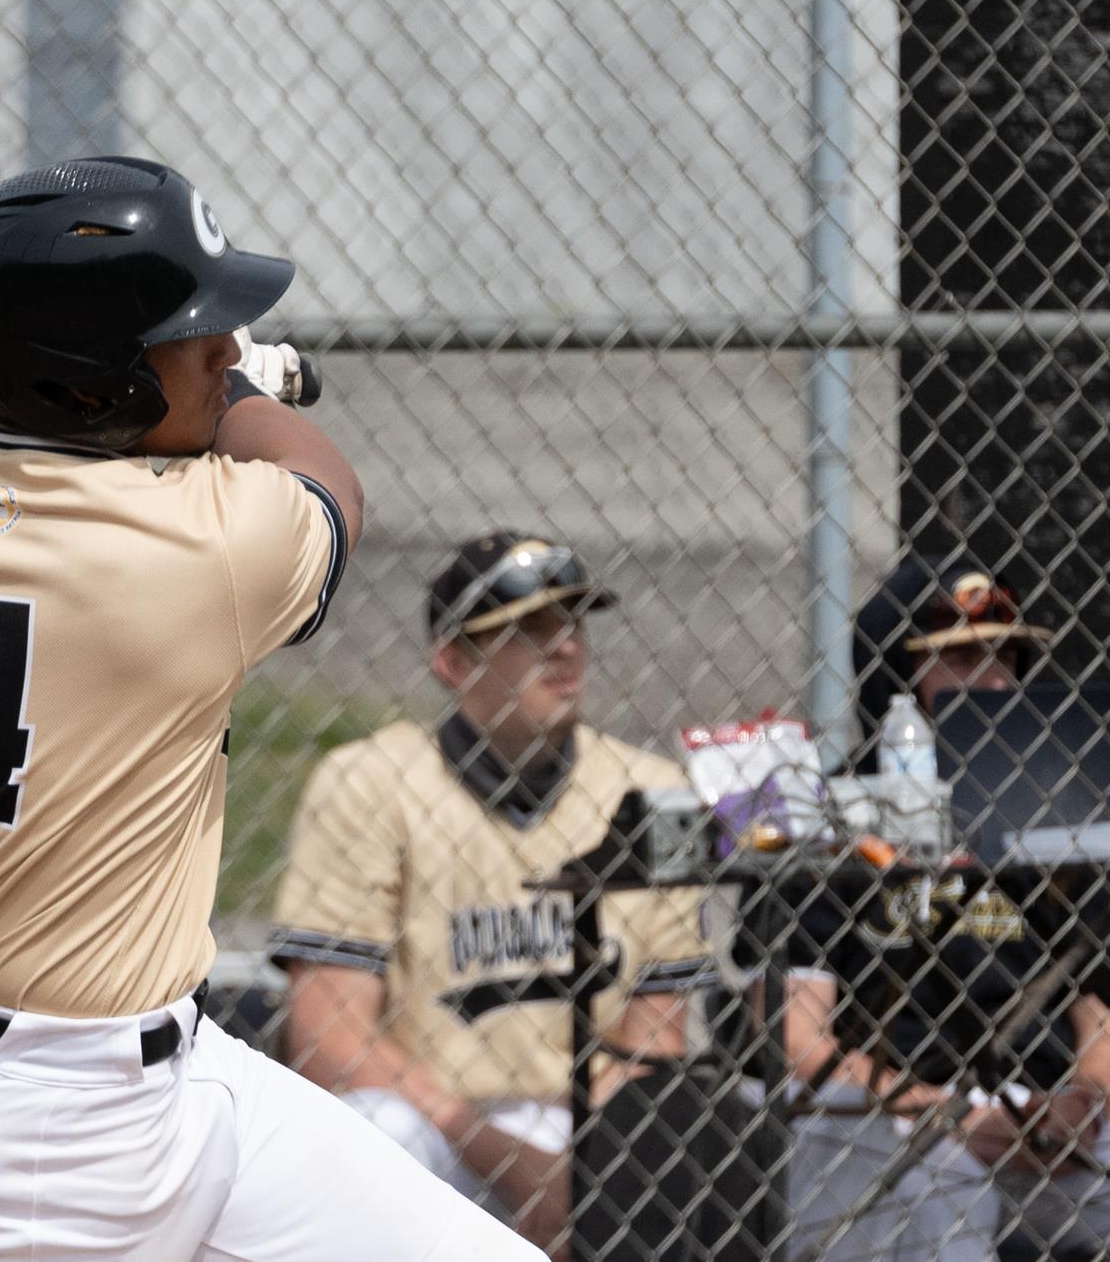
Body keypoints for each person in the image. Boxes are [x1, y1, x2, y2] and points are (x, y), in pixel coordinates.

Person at [0, 155, 541, 1260]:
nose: (221, 347)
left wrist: (175, 384)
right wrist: (249, 391)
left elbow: (36, 481)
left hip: (190, 1082)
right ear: (91, 382)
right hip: (37, 1152)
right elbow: (325, 481)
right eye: (194, 332)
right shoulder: (206, 547)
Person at [267, 532, 712, 1257]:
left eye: (573, 621)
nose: (565, 646)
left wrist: (583, 1164)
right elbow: (329, 1040)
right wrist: (504, 1154)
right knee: (376, 1125)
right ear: (452, 661)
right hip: (434, 1124)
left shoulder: (651, 791)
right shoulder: (370, 783)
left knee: (665, 1135)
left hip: (584, 1120)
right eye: (527, 628)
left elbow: (654, 1044)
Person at [759, 555, 1110, 1260]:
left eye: (1002, 654)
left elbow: (1097, 1014)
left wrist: (1080, 1107)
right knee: (951, 1198)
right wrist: (940, 1113)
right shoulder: (837, 818)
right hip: (886, 1107)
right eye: (961, 660)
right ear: (898, 676)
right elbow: (801, 1040)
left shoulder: (1060, 812)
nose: (994, 681)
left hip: (1039, 1108)